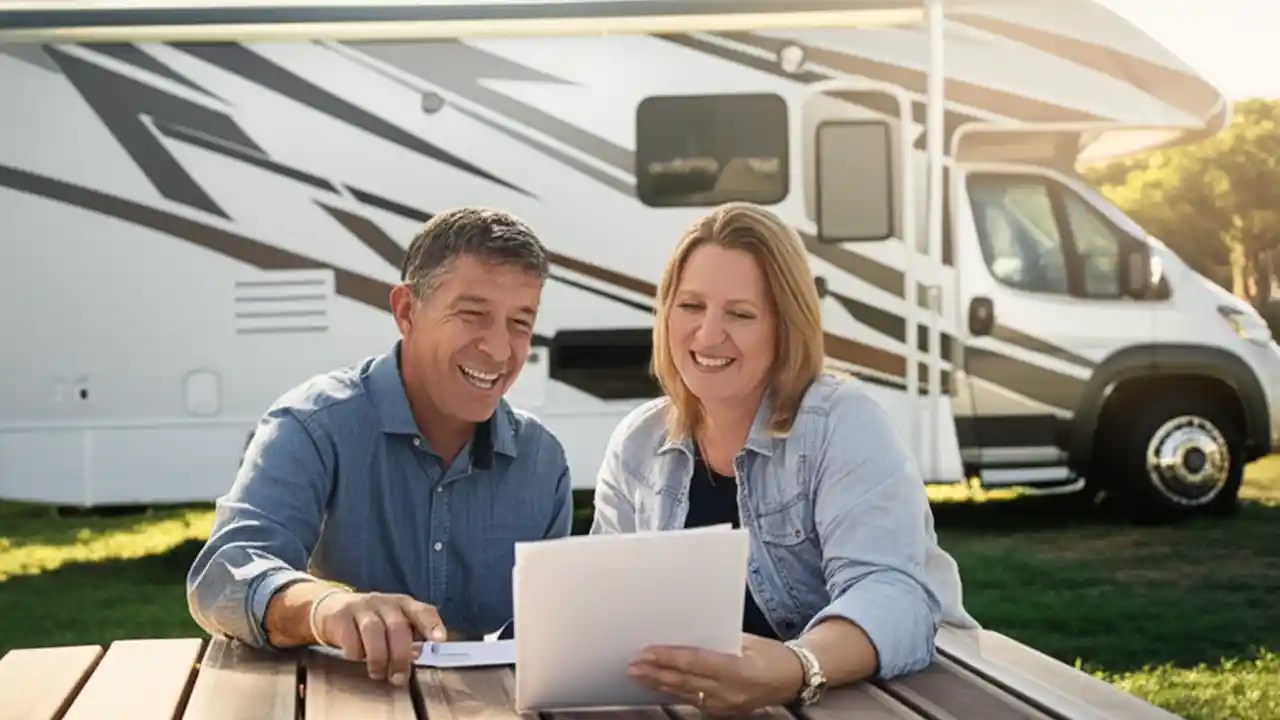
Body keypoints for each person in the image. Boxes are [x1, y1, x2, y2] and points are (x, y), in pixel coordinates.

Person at [591, 202, 977, 715]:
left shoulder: (843, 423)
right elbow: (601, 601)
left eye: (741, 314)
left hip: (871, 702)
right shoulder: (637, 442)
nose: (708, 334)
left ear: (785, 326)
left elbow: (894, 594)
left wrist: (798, 666)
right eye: (690, 306)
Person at [187, 207, 573, 688]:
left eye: (520, 322)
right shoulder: (313, 424)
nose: (499, 350)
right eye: (472, 314)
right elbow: (222, 576)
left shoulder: (543, 463)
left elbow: (547, 639)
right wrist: (327, 607)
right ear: (407, 312)